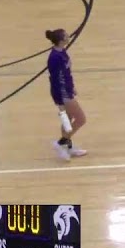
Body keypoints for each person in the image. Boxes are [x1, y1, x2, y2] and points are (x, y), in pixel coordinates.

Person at [46, 29, 89, 161]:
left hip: (66, 90)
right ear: (61, 40)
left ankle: (68, 148)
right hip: (62, 92)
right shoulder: (54, 57)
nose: (68, 37)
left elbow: (65, 73)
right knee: (81, 119)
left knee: (67, 120)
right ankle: (61, 143)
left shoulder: (62, 51)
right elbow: (55, 79)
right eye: (66, 36)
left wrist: (72, 86)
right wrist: (62, 95)